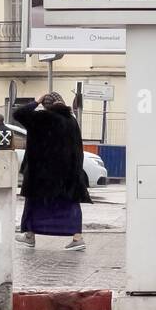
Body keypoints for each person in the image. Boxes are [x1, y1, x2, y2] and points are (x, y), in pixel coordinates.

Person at [13, 92, 91, 251]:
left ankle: (29, 235)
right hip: (67, 175)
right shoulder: (72, 121)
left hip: (41, 174)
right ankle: (77, 238)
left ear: (46, 105)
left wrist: (36, 101)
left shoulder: (41, 118)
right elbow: (78, 148)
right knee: (69, 205)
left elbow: (18, 114)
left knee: (34, 204)